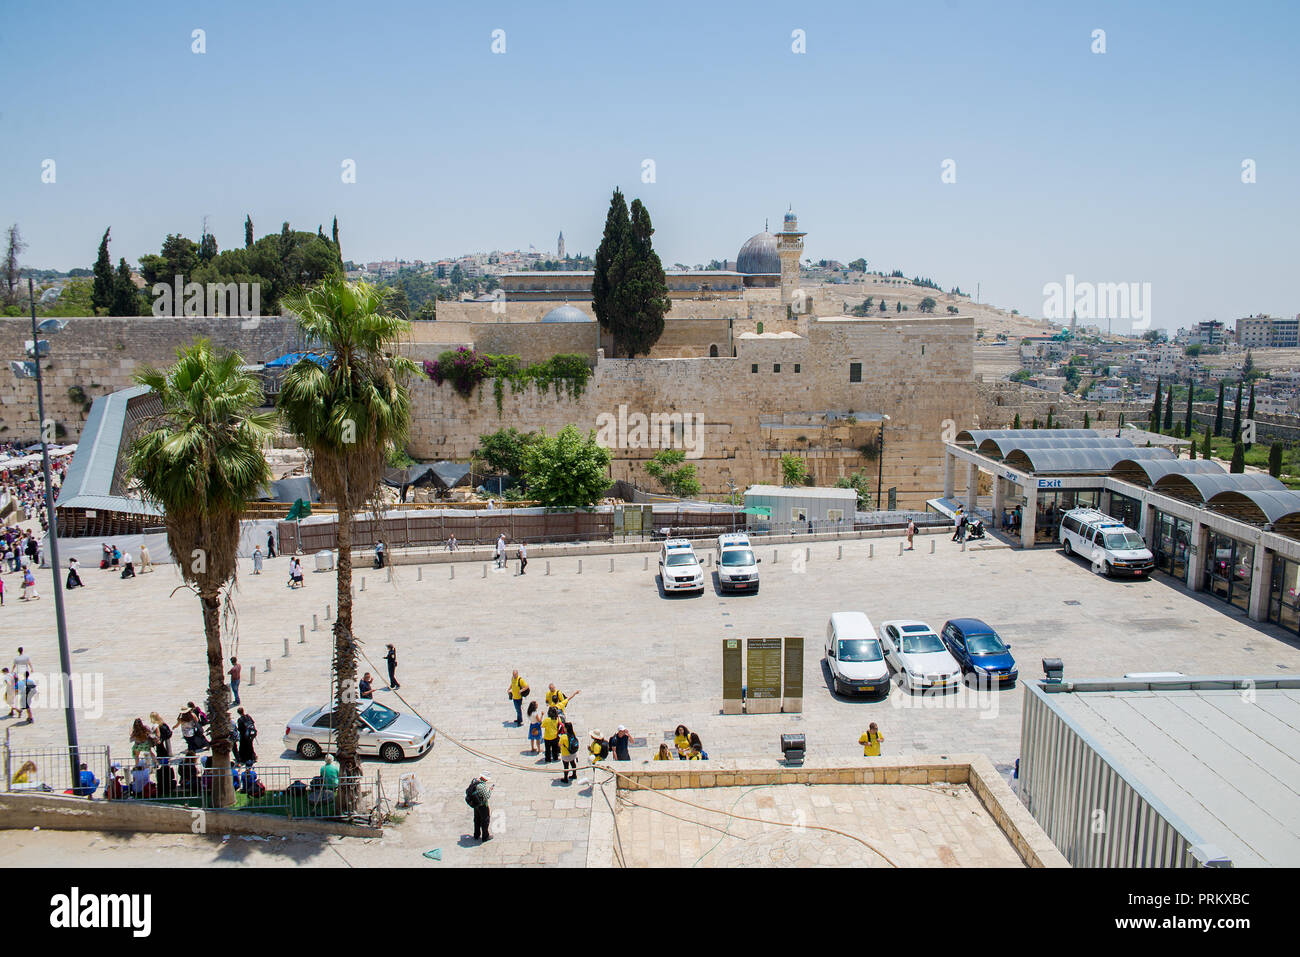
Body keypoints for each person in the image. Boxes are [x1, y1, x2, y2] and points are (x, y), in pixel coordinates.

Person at [467, 773, 493, 842]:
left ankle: (476, 834)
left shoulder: (474, 781)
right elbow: (486, 796)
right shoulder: (482, 786)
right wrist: (490, 790)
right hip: (482, 805)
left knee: (477, 819)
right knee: (485, 820)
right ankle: (485, 837)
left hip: (476, 805)